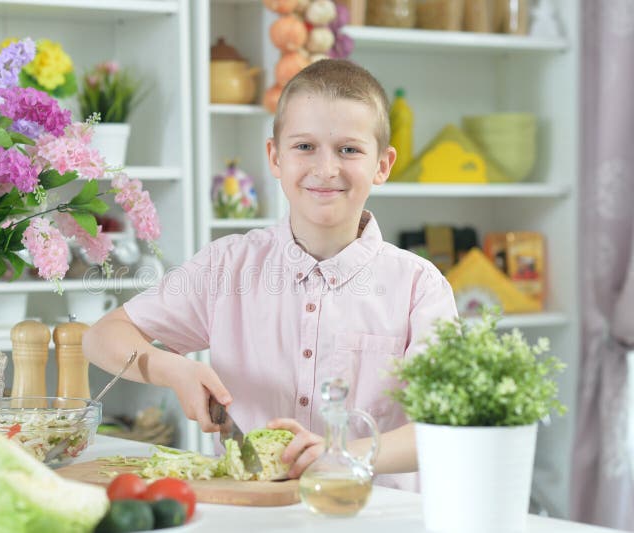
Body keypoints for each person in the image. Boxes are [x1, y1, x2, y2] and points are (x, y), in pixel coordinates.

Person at [83, 59, 457, 491]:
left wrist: (336, 456)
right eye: (304, 147)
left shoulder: (418, 286)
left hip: (371, 514)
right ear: (274, 156)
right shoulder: (227, 266)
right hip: (248, 511)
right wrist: (173, 370)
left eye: (349, 149)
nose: (326, 168)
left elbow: (443, 427)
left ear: (383, 164)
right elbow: (102, 337)